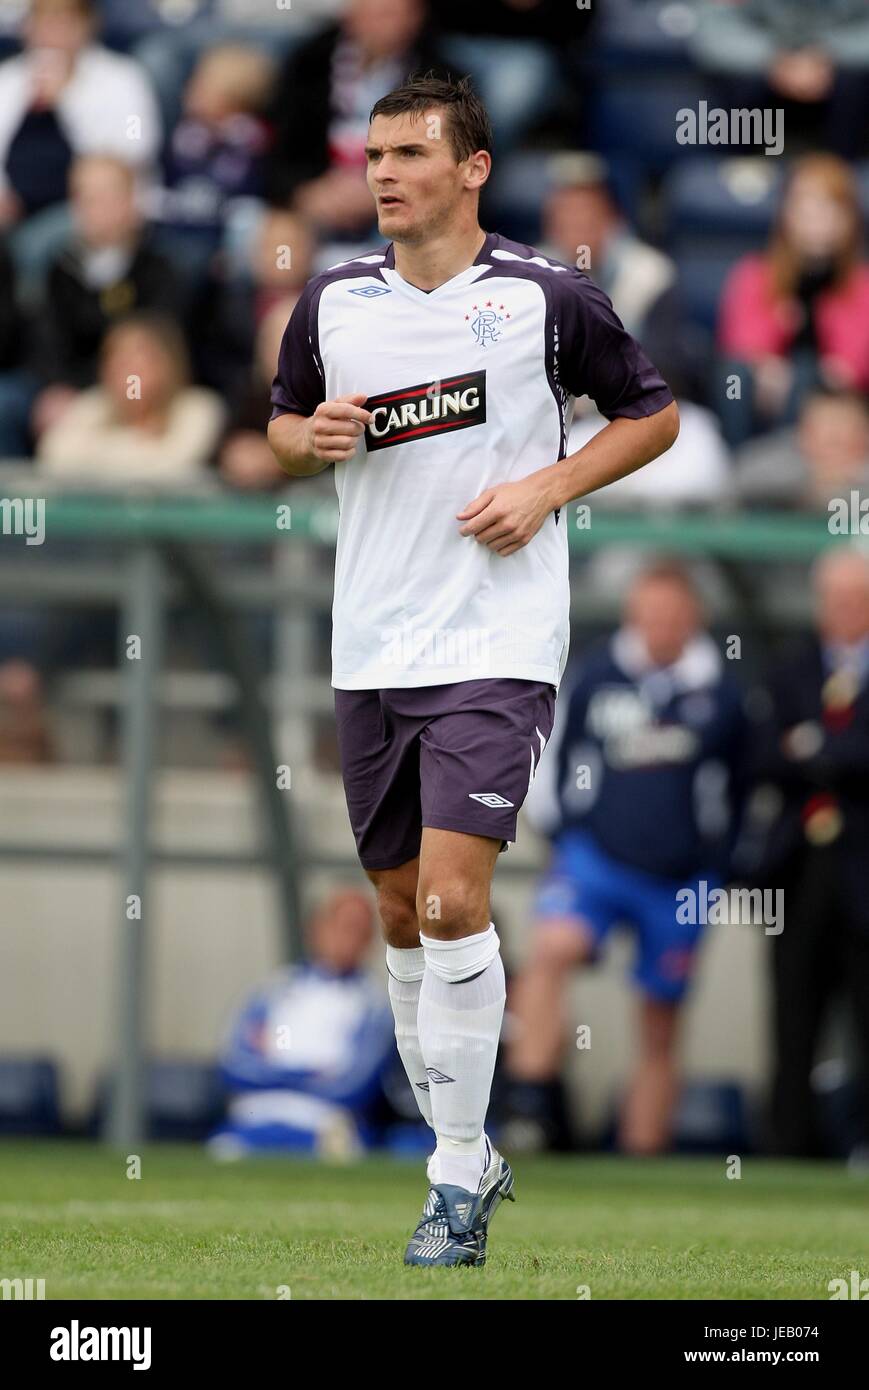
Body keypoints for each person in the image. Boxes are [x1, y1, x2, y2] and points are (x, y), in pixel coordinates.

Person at [267, 75, 678, 1266]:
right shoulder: (335, 298)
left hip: (493, 645)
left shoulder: (547, 296)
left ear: (473, 168)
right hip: (370, 644)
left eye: (408, 152)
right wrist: (309, 442)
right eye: (374, 153)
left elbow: (646, 415)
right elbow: (283, 428)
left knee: (452, 898)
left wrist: (546, 487)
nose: (383, 172)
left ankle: (451, 1173)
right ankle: (466, 1146)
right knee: (401, 911)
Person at [505, 563, 748, 1155]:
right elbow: (551, 755)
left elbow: (740, 791)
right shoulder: (597, 676)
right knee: (552, 951)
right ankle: (531, 1104)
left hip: (681, 880)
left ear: (695, 620)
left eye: (672, 616)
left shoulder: (722, 692)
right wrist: (562, 833)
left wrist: (720, 865)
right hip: (596, 860)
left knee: (660, 1021)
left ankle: (643, 1155)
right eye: (649, 615)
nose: (660, 628)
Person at [751, 547, 869, 1159]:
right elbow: (764, 755)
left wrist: (818, 748)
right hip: (796, 870)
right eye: (835, 599)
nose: (844, 611)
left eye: (856, 599)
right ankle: (786, 1149)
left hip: (861, 868)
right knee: (793, 1014)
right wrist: (837, 753)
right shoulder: (789, 667)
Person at [209, 888, 395, 1159]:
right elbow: (233, 1065)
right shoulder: (272, 991)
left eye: (358, 929)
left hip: (323, 1127)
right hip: (253, 1122)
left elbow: (354, 1087)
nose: (347, 938)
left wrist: (276, 1065)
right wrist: (309, 1072)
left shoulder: (374, 1006)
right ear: (317, 928)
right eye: (339, 925)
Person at [717, 155, 869, 446]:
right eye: (805, 206)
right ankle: (735, 465)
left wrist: (803, 376)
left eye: (829, 208)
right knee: (733, 377)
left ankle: (786, 464)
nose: (816, 218)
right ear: (786, 214)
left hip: (832, 402)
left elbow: (851, 368)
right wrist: (774, 345)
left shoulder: (861, 285)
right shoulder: (753, 274)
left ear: (850, 219)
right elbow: (739, 346)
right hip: (761, 394)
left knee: (805, 373)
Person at [267, 0, 447, 236]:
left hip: (397, 208)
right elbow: (278, 148)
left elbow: (448, 163)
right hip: (313, 199)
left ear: (416, 18)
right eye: (370, 12)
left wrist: (388, 193)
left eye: (390, 14)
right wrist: (304, 192)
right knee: (265, 234)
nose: (379, 25)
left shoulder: (440, 79)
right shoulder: (309, 64)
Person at [31, 154, 179, 441]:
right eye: (86, 198)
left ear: (132, 202)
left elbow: (159, 343)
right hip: (76, 389)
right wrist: (58, 386)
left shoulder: (159, 269)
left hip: (141, 389)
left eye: (107, 196)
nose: (96, 209)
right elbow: (47, 341)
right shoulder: (61, 268)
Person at [0, 0, 160, 227]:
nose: (52, 31)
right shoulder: (8, 79)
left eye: (63, 21)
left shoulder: (124, 80)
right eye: (43, 20)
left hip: (88, 208)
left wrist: (69, 100)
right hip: (15, 204)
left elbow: (136, 144)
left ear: (87, 25)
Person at [37, 311, 224, 485]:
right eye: (119, 359)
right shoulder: (94, 404)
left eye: (140, 358)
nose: (129, 372)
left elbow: (171, 466)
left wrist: (101, 450)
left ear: (168, 365)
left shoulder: (198, 407)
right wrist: (137, 440)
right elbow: (55, 454)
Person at [735, 387, 869, 511]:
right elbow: (739, 481)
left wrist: (848, 481)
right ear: (802, 433)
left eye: (839, 433)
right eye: (821, 429)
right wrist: (811, 483)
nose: (830, 438)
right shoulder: (784, 458)